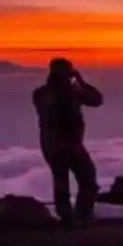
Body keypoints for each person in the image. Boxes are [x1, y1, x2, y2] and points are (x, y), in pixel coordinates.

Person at [32, 58, 104, 227]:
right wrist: (80, 81)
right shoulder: (70, 93)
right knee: (87, 179)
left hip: (51, 145)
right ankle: (81, 215)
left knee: (61, 182)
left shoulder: (41, 93)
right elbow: (97, 99)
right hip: (69, 144)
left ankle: (68, 218)